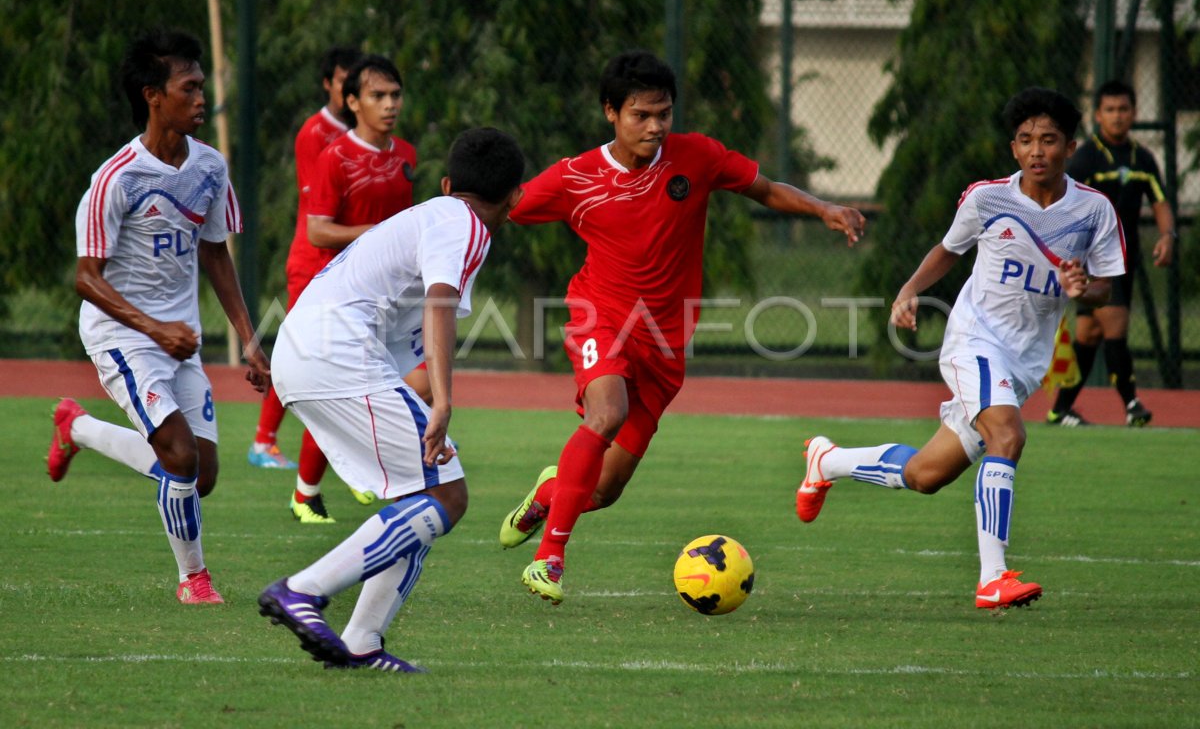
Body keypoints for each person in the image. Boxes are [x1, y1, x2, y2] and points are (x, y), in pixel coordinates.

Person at [497, 49, 866, 605]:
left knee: (605, 490)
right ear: (610, 113)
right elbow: (509, 206)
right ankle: (549, 559)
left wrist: (824, 210)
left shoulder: (695, 156)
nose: (654, 126)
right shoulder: (575, 177)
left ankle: (552, 490)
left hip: (666, 344)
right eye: (640, 115)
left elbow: (761, 188)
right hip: (600, 314)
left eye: (663, 113)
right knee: (606, 412)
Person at [795, 87, 1125, 609]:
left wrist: (1087, 287)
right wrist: (908, 291)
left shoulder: (1094, 212)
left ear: (1070, 146)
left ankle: (828, 461)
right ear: (1013, 149)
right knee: (1008, 436)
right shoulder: (987, 198)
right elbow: (949, 250)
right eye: (1025, 140)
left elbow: (1107, 284)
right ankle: (993, 578)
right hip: (974, 339)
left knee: (927, 475)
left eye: (1049, 140)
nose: (1036, 150)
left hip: (1025, 362)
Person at [257, 127, 524, 672]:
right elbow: (440, 302)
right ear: (513, 199)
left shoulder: (433, 214)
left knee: (423, 489)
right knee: (447, 495)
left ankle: (363, 642)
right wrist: (444, 402)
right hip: (334, 353)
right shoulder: (467, 225)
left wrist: (421, 401)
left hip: (312, 348)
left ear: (448, 182)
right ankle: (302, 590)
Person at [47, 28, 270, 604]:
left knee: (203, 475)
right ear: (153, 95)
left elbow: (216, 251)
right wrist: (154, 328)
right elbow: (85, 277)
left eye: (203, 86)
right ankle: (194, 579)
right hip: (122, 334)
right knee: (178, 455)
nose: (202, 98)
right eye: (190, 87)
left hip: (179, 339)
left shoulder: (211, 168)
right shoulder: (116, 178)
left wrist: (248, 339)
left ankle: (76, 428)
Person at [280, 53, 430, 525]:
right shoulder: (335, 157)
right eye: (376, 96)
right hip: (344, 294)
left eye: (395, 95)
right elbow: (318, 231)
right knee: (337, 390)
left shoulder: (406, 154)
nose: (389, 105)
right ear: (351, 101)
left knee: (421, 384)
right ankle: (306, 493)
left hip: (394, 294)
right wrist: (379, 234)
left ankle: (395, 474)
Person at [248, 45, 363, 471]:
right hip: (315, 258)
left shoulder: (367, 136)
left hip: (348, 259)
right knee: (302, 349)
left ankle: (413, 423)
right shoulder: (316, 134)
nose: (351, 90)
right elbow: (321, 212)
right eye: (343, 81)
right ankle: (263, 441)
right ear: (329, 85)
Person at [1046, 80, 1176, 428]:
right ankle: (1133, 404)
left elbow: (1160, 201)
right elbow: (1064, 204)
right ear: (1098, 115)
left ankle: (1059, 411)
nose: (1117, 116)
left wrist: (1167, 235)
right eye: (1110, 110)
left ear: (1134, 113)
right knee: (1115, 324)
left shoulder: (1143, 159)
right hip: (1091, 259)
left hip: (1126, 255)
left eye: (1123, 109)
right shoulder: (1086, 158)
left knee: (1089, 334)